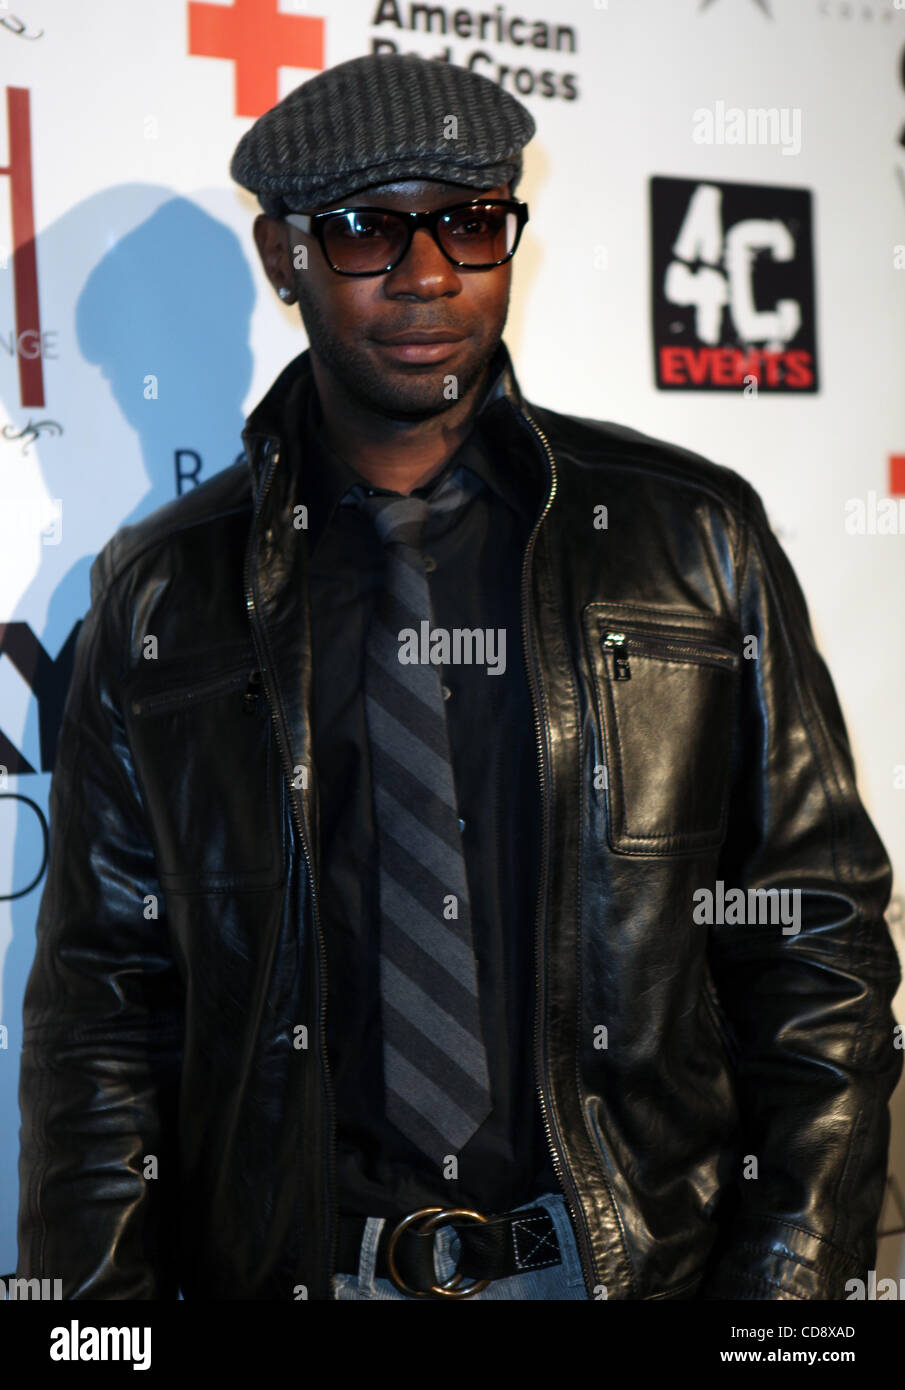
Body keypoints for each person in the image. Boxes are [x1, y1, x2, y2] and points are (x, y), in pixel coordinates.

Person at [16, 52, 901, 1302]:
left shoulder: (690, 538)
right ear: (283, 257)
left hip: (631, 1272)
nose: (427, 273)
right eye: (369, 230)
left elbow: (817, 948)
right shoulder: (166, 593)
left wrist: (786, 1292)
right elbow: (103, 1014)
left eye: (469, 222)